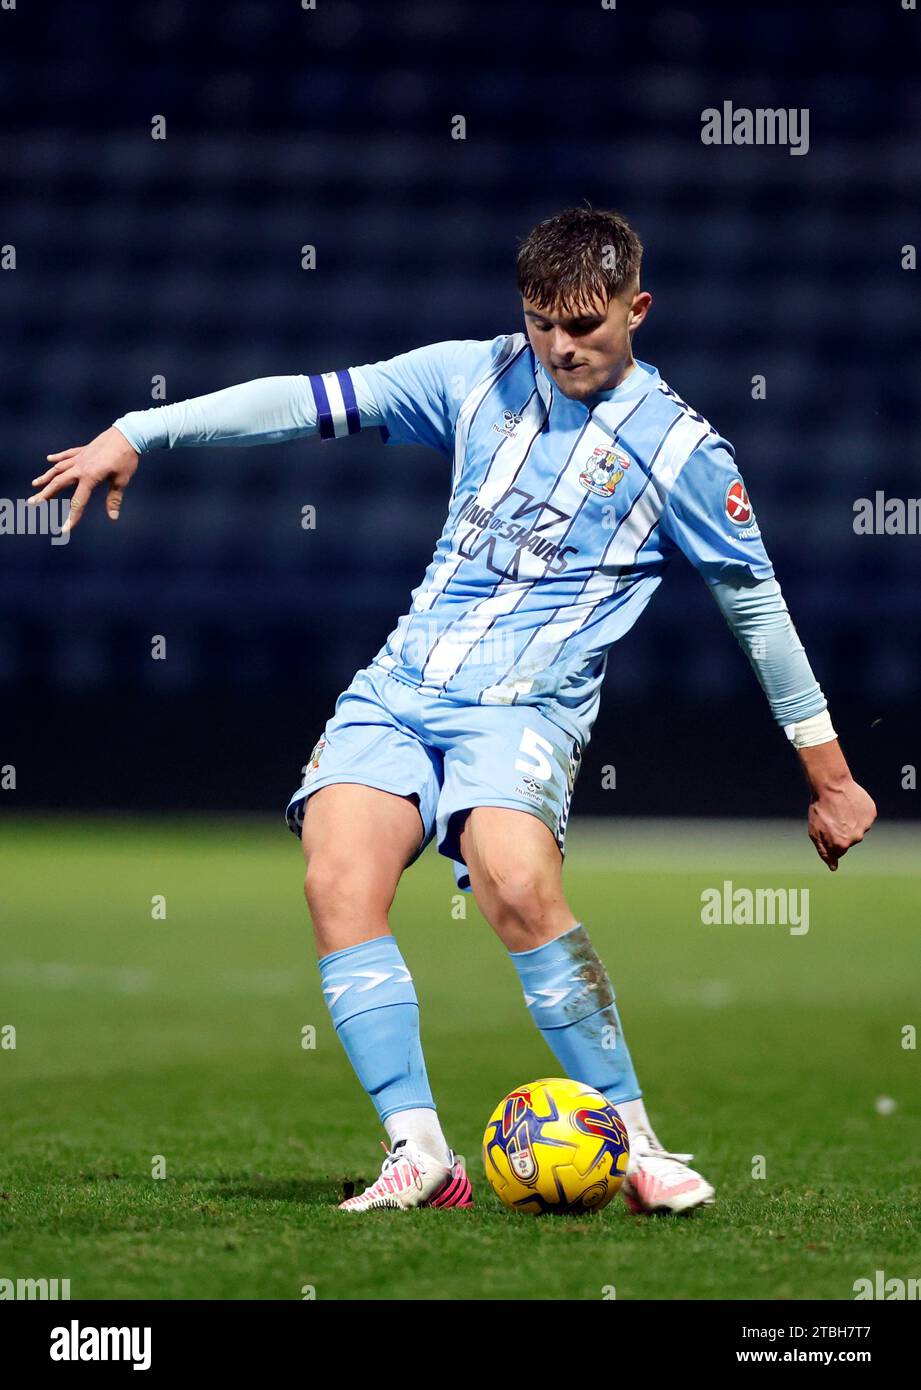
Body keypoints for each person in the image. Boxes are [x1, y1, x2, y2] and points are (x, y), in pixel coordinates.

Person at [29, 207, 876, 1215]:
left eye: (585, 326)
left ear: (636, 308)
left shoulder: (684, 452)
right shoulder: (474, 375)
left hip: (523, 713)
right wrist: (140, 430)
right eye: (540, 322)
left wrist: (829, 778)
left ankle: (636, 1140)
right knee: (338, 876)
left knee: (515, 885)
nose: (560, 346)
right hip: (400, 691)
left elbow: (757, 606)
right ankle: (419, 1153)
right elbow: (306, 401)